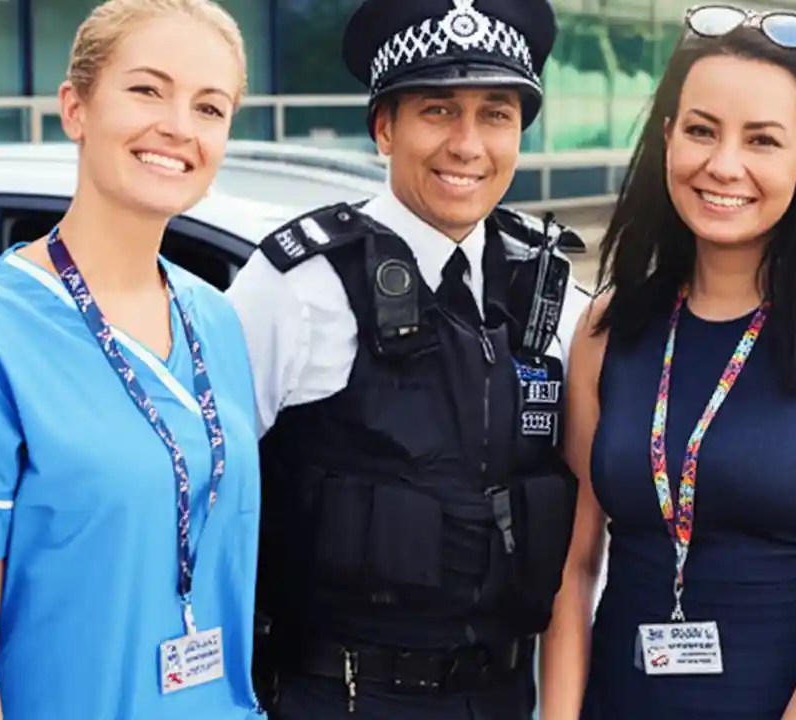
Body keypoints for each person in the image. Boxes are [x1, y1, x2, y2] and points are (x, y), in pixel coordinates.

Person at [539, 5, 796, 719]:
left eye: (763, 140)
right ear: (667, 138)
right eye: (701, 130)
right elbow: (571, 572)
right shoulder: (606, 327)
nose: (723, 165)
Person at [0, 1, 261, 718]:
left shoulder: (214, 319)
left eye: (210, 107)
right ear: (75, 108)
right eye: (147, 90)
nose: (179, 126)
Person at [226, 0, 587, 717]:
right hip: (343, 698)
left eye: (496, 115)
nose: (468, 145)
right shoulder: (298, 286)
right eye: (437, 111)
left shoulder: (553, 299)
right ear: (384, 128)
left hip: (508, 698)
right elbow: (206, 503)